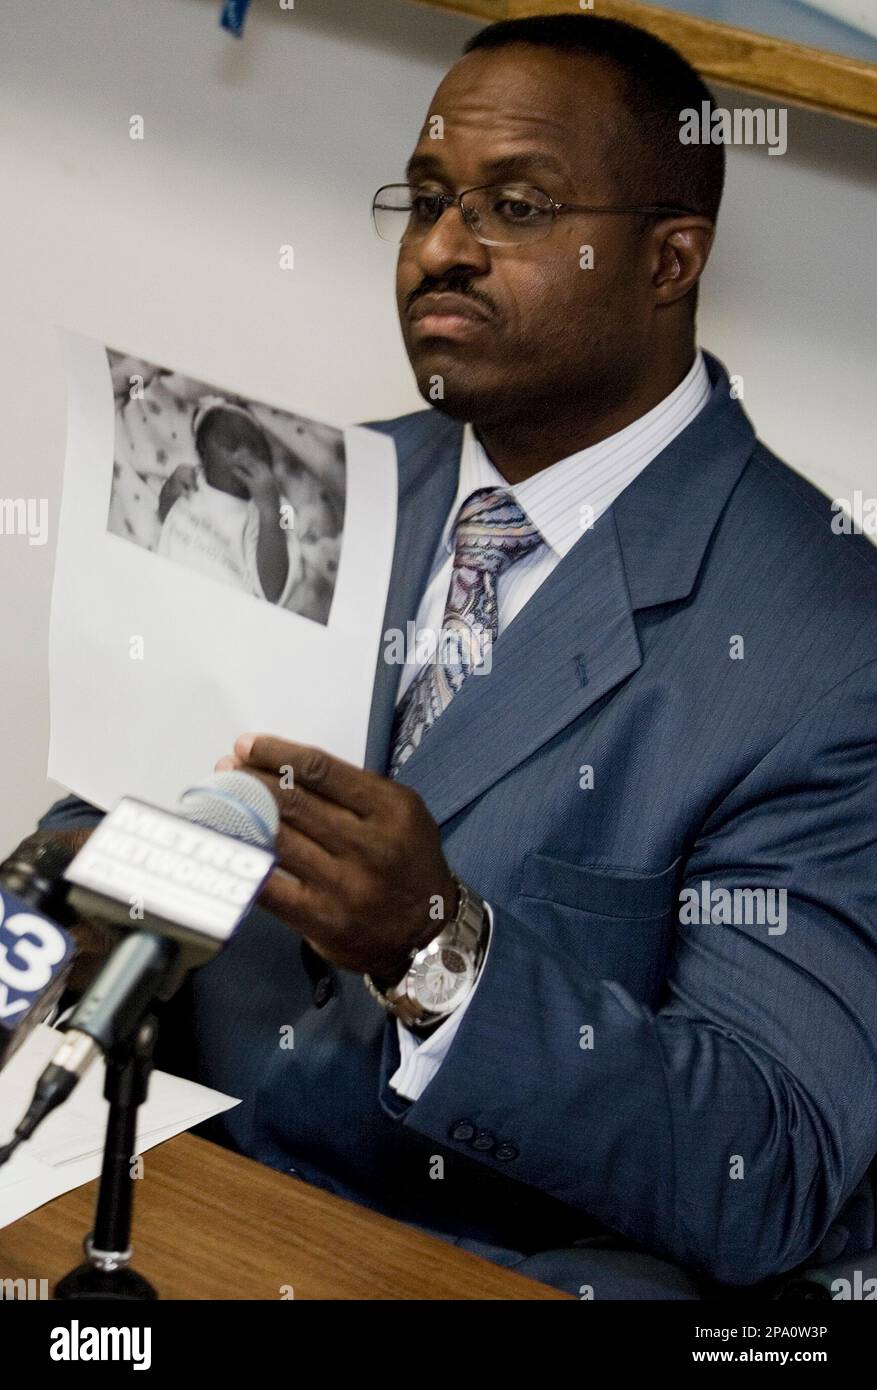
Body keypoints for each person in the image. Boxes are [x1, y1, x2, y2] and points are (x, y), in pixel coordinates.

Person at [33, 15, 877, 1298]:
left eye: (515, 207)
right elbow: (137, 813)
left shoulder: (830, 647)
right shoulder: (322, 485)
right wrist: (66, 902)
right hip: (190, 1205)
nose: (439, 250)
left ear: (668, 258)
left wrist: (442, 952)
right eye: (424, 201)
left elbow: (770, 1168)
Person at [157, 402, 300, 606]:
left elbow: (273, 589)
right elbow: (165, 518)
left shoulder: (277, 506)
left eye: (257, 448)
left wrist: (269, 510)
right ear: (203, 452)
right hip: (165, 589)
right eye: (229, 443)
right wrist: (171, 489)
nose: (245, 454)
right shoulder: (191, 482)